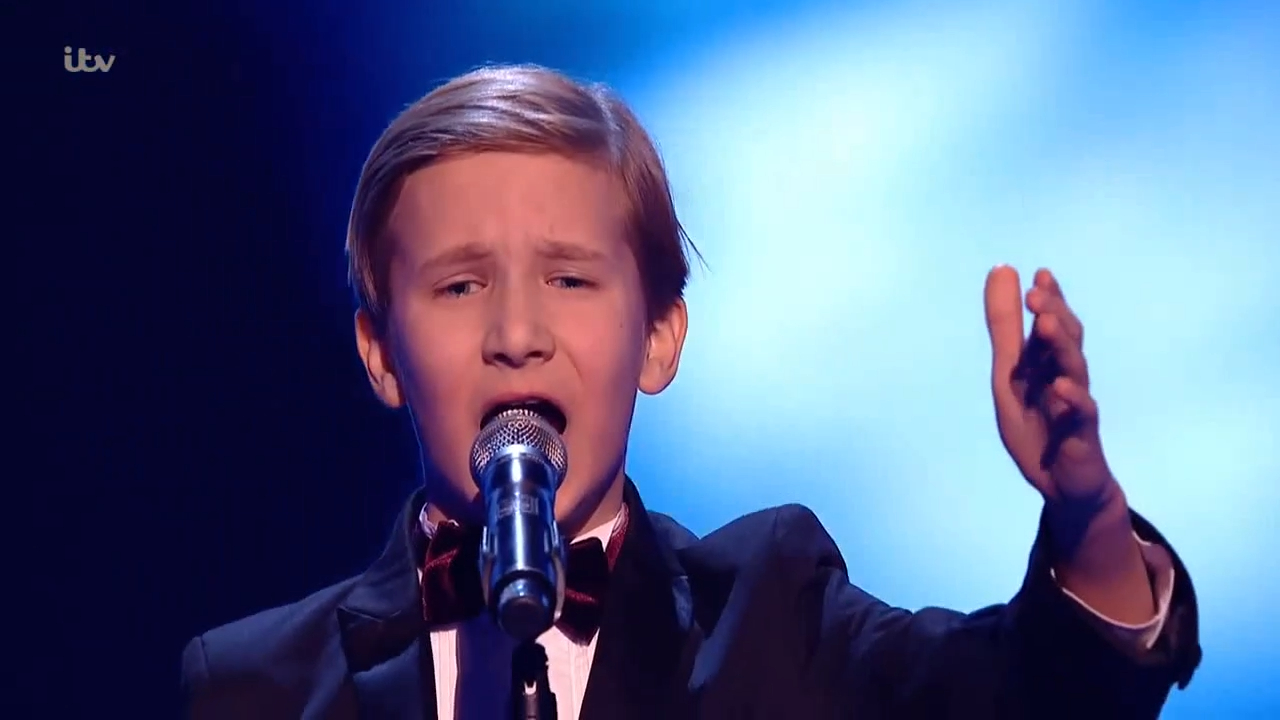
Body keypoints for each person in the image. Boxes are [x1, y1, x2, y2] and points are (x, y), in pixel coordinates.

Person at [180, 64, 1202, 719]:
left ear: (660, 337)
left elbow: (1034, 695)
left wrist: (1087, 518)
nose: (517, 336)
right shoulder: (255, 683)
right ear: (380, 353)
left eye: (569, 279)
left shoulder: (774, 613)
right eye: (459, 286)